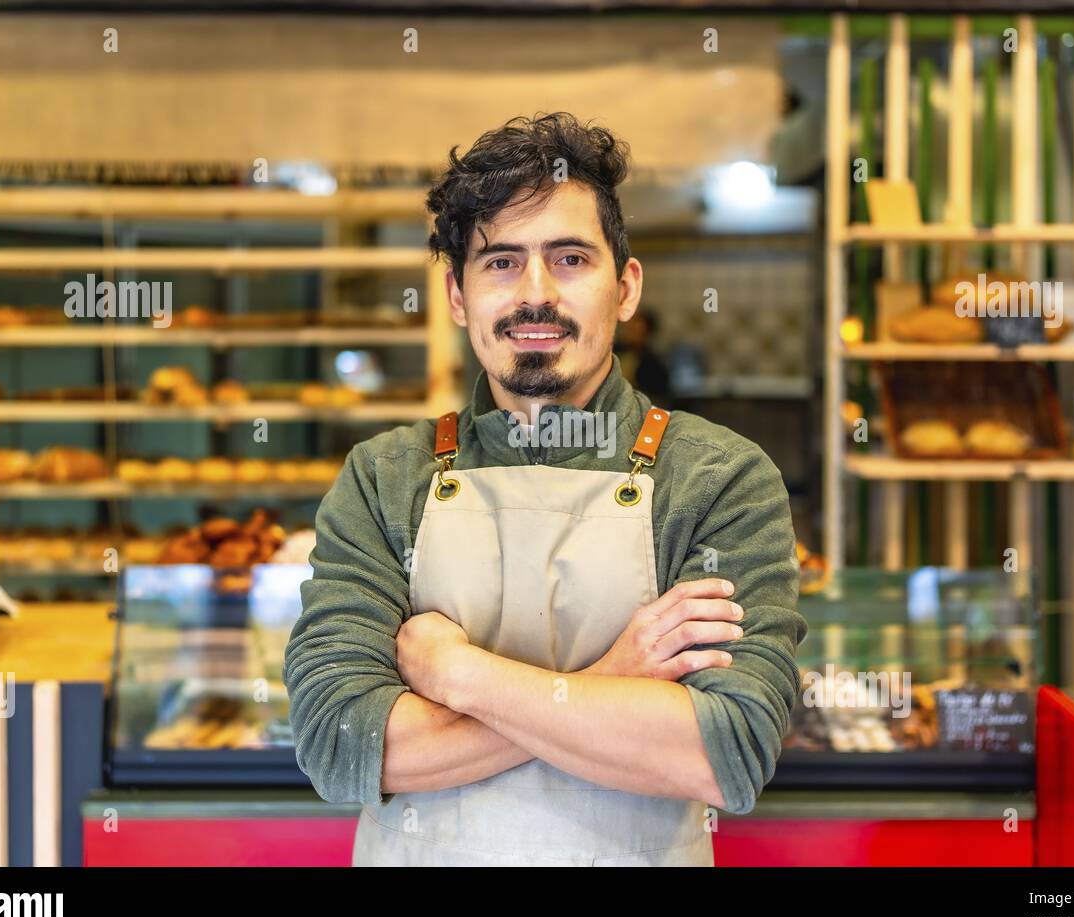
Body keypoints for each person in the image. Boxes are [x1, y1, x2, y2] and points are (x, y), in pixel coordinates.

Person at [284, 111, 807, 866]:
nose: (535, 295)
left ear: (624, 287)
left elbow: (726, 754)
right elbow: (340, 747)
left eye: (568, 258)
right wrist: (611, 679)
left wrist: (457, 673)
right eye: (500, 263)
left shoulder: (717, 478)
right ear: (458, 297)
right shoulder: (384, 477)